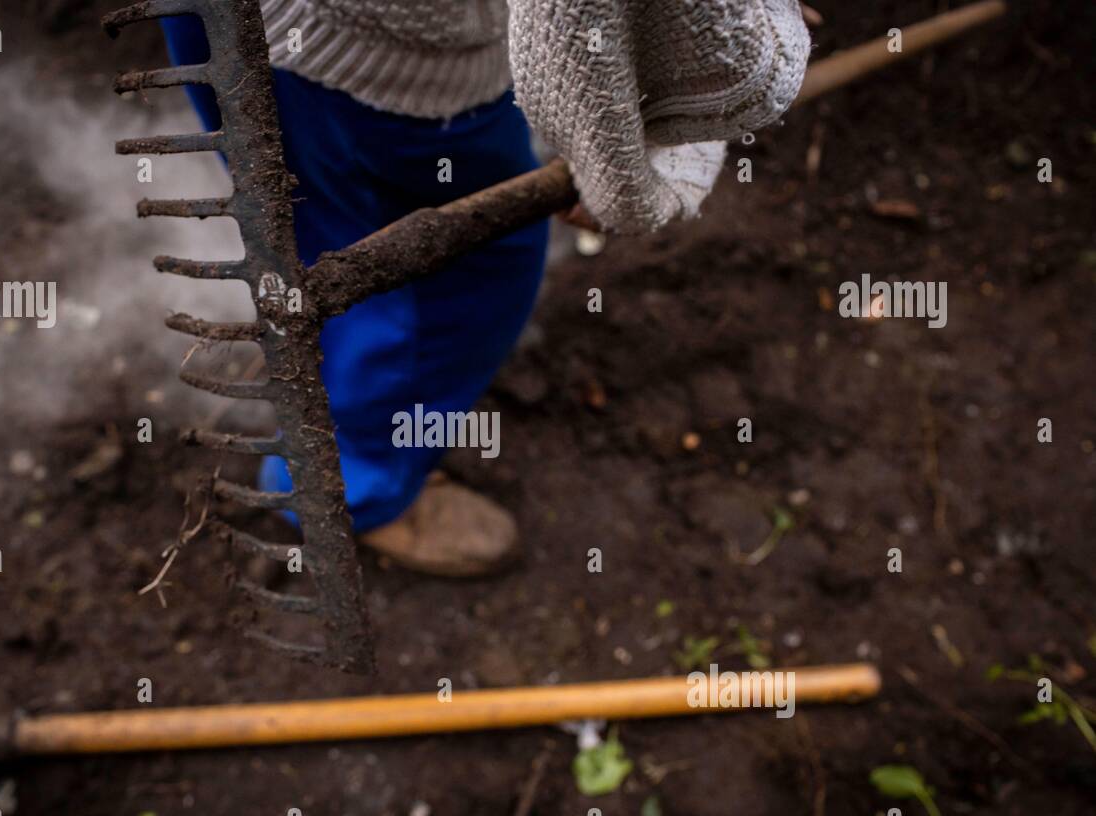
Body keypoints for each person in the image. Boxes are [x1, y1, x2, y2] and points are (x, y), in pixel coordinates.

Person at [162, 1, 809, 576]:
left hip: (257, 26)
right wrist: (657, 126)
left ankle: (332, 374)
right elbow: (581, 19)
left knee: (319, 215)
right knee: (446, 285)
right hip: (362, 56)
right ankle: (354, 489)